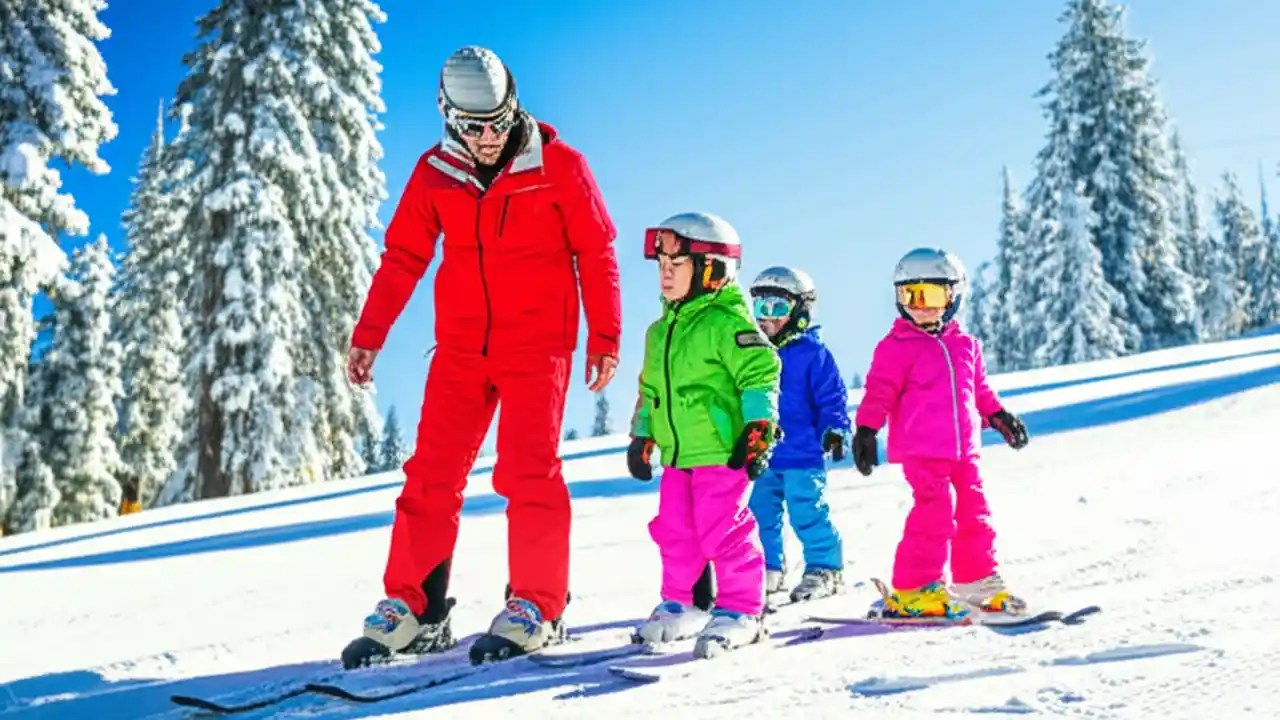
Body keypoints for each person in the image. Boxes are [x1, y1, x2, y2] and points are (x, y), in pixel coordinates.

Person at [347, 45, 622, 663]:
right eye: (475, 126)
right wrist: (370, 334)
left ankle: (537, 605)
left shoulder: (561, 167)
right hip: (462, 351)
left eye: (498, 121)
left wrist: (605, 337)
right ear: (449, 117)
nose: (490, 137)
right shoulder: (434, 173)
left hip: (538, 346)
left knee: (528, 474)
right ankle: (415, 608)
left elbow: (597, 250)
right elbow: (403, 259)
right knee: (429, 477)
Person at [625, 211, 781, 657]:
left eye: (677, 264)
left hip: (721, 451)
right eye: (661, 265)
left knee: (723, 529)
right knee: (674, 530)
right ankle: (685, 604)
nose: (666, 273)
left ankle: (741, 610)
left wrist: (758, 429)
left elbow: (760, 373)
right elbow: (651, 389)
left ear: (712, 270)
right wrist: (643, 436)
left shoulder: (727, 323)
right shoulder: (660, 332)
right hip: (678, 455)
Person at [850, 247, 1029, 619]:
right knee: (934, 513)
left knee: (974, 513)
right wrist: (867, 430)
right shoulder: (896, 348)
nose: (921, 306)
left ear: (953, 296)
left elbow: (978, 389)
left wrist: (998, 415)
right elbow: (879, 391)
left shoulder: (966, 345)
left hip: (965, 451)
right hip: (922, 450)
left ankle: (975, 580)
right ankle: (916, 587)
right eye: (910, 296)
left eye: (931, 295)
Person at [746, 266, 850, 603]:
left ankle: (825, 567)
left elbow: (832, 398)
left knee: (807, 510)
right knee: (759, 513)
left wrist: (834, 431)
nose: (767, 318)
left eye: (777, 308)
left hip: (803, 454)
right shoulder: (753, 354)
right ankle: (767, 570)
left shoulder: (812, 355)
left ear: (800, 311)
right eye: (761, 308)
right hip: (763, 455)